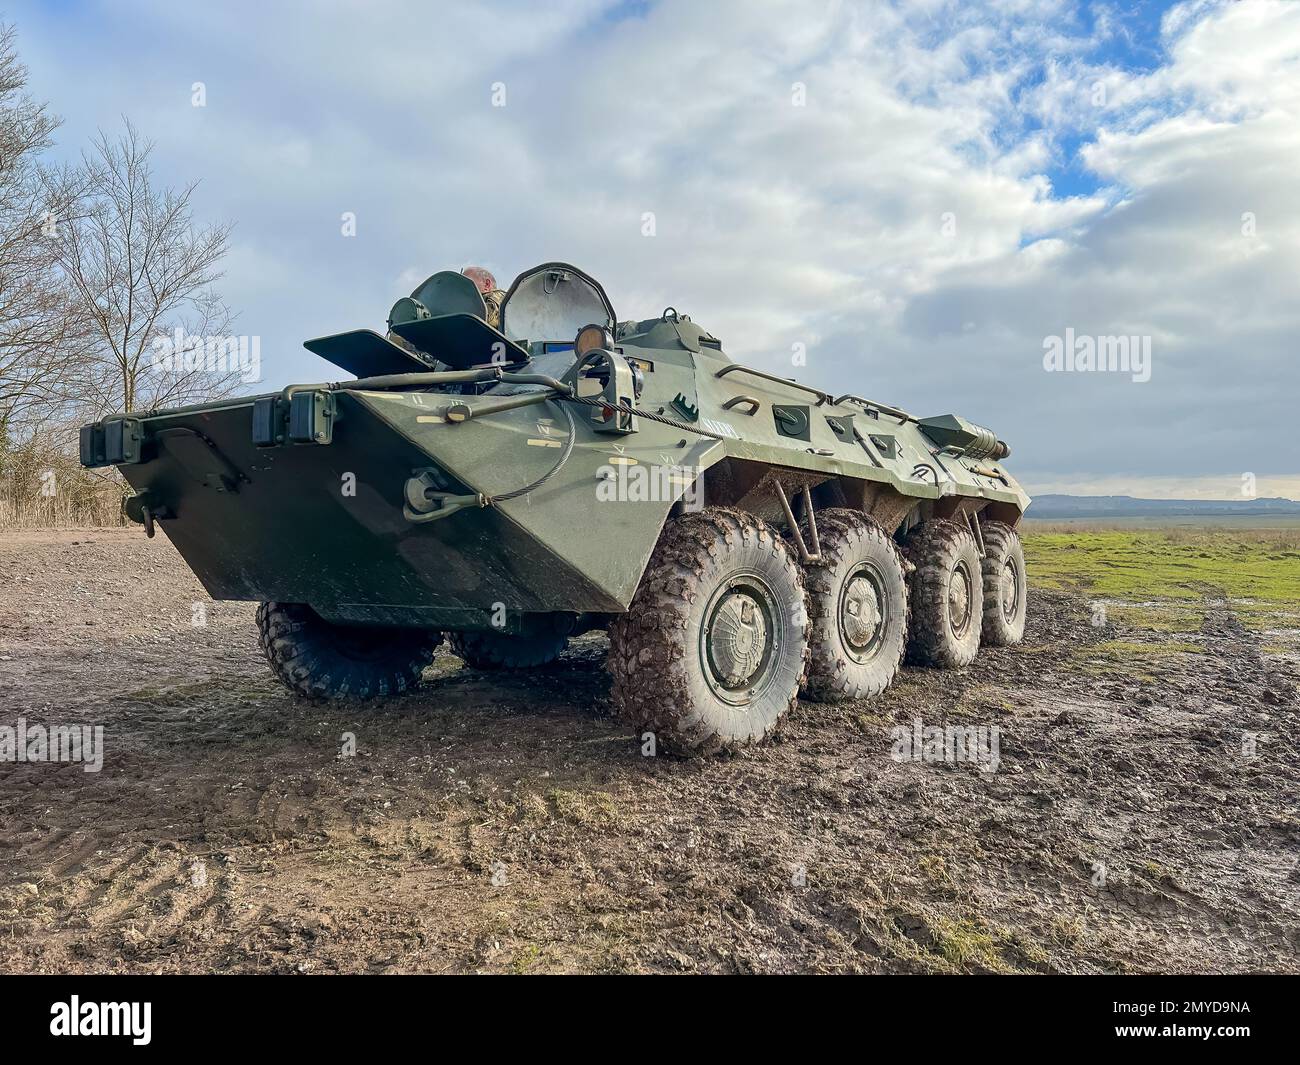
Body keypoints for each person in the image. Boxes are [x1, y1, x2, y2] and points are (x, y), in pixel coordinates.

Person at [461, 266, 507, 330]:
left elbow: (486, 320)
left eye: (466, 283)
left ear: (487, 284)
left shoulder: (498, 296)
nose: (462, 289)